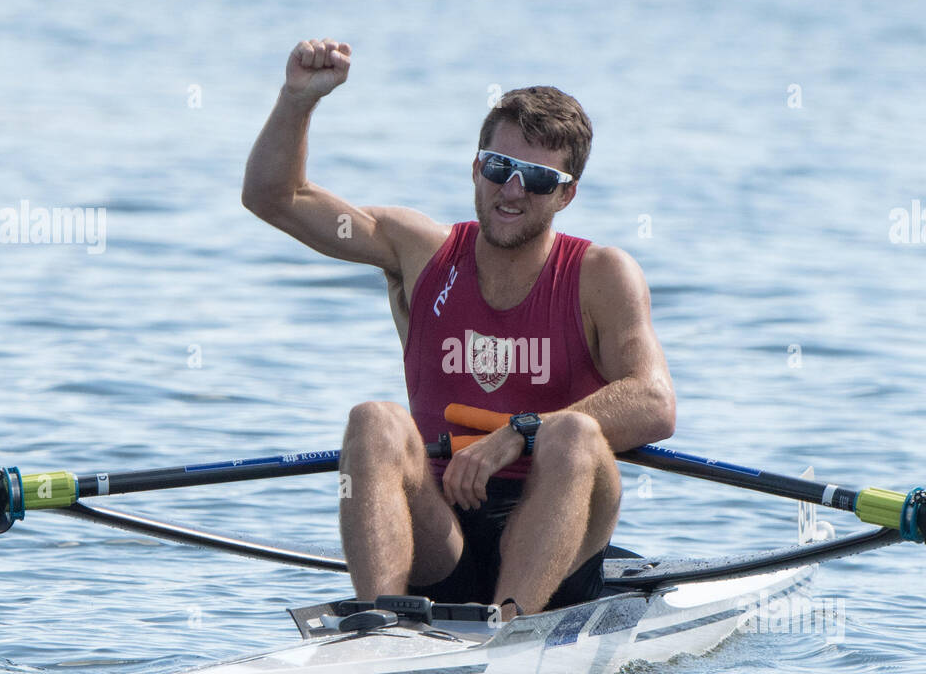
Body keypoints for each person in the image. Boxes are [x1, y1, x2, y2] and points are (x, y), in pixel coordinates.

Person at [243, 38, 675, 620]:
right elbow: (276, 197)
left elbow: (654, 403)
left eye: (538, 179)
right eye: (499, 168)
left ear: (566, 193)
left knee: (573, 435)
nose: (512, 191)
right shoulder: (419, 250)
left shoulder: (601, 274)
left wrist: (520, 433)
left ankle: (510, 624)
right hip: (441, 530)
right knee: (374, 420)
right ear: (477, 168)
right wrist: (298, 100)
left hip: (559, 532)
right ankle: (377, 630)